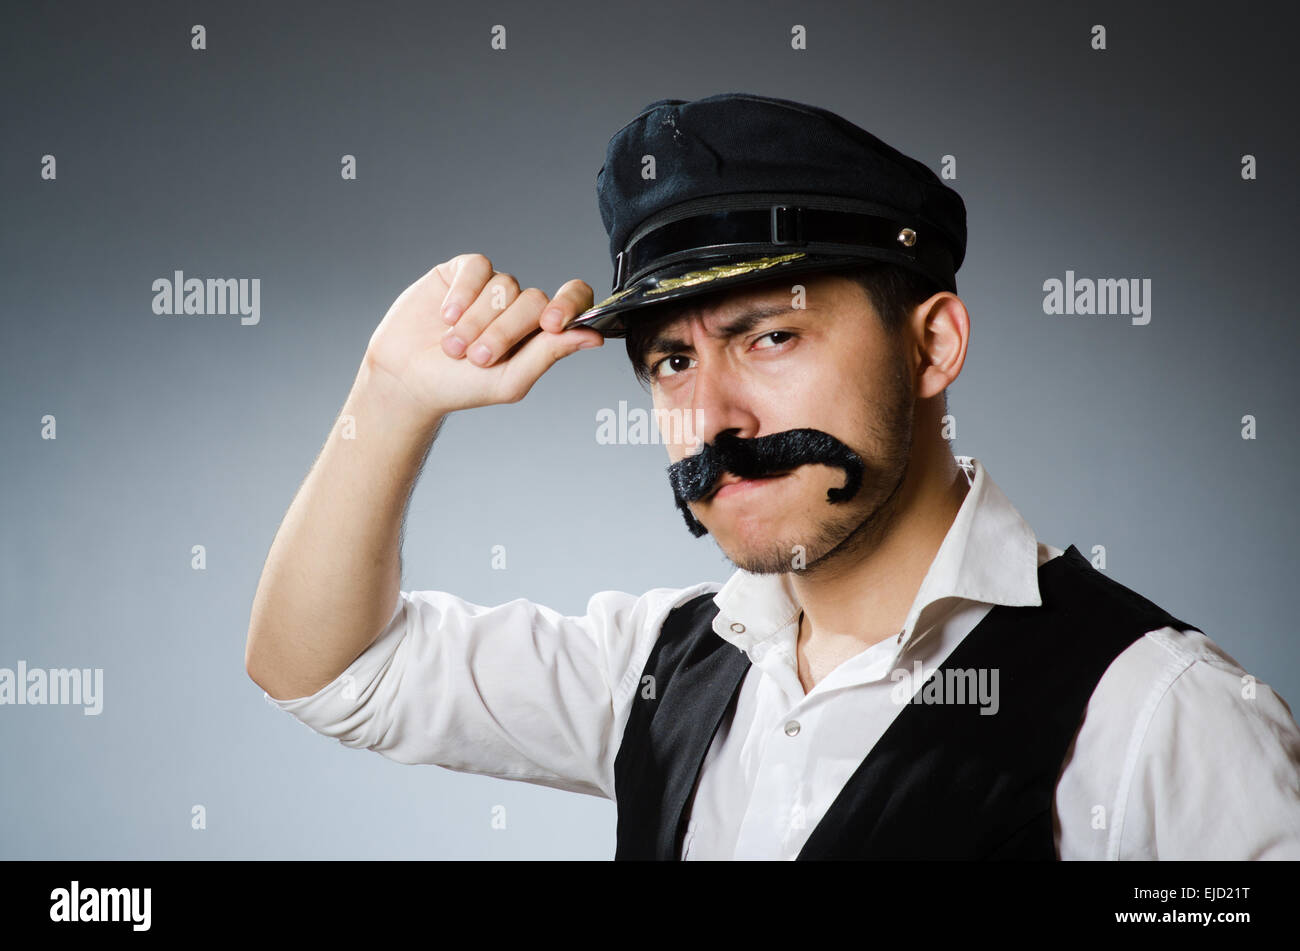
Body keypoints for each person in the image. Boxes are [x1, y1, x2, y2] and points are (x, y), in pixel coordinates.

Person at [244, 92, 1300, 859]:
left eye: (770, 339)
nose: (713, 418)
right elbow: (330, 670)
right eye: (671, 360)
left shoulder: (1159, 714)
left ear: (931, 346)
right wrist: (387, 399)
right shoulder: (655, 670)